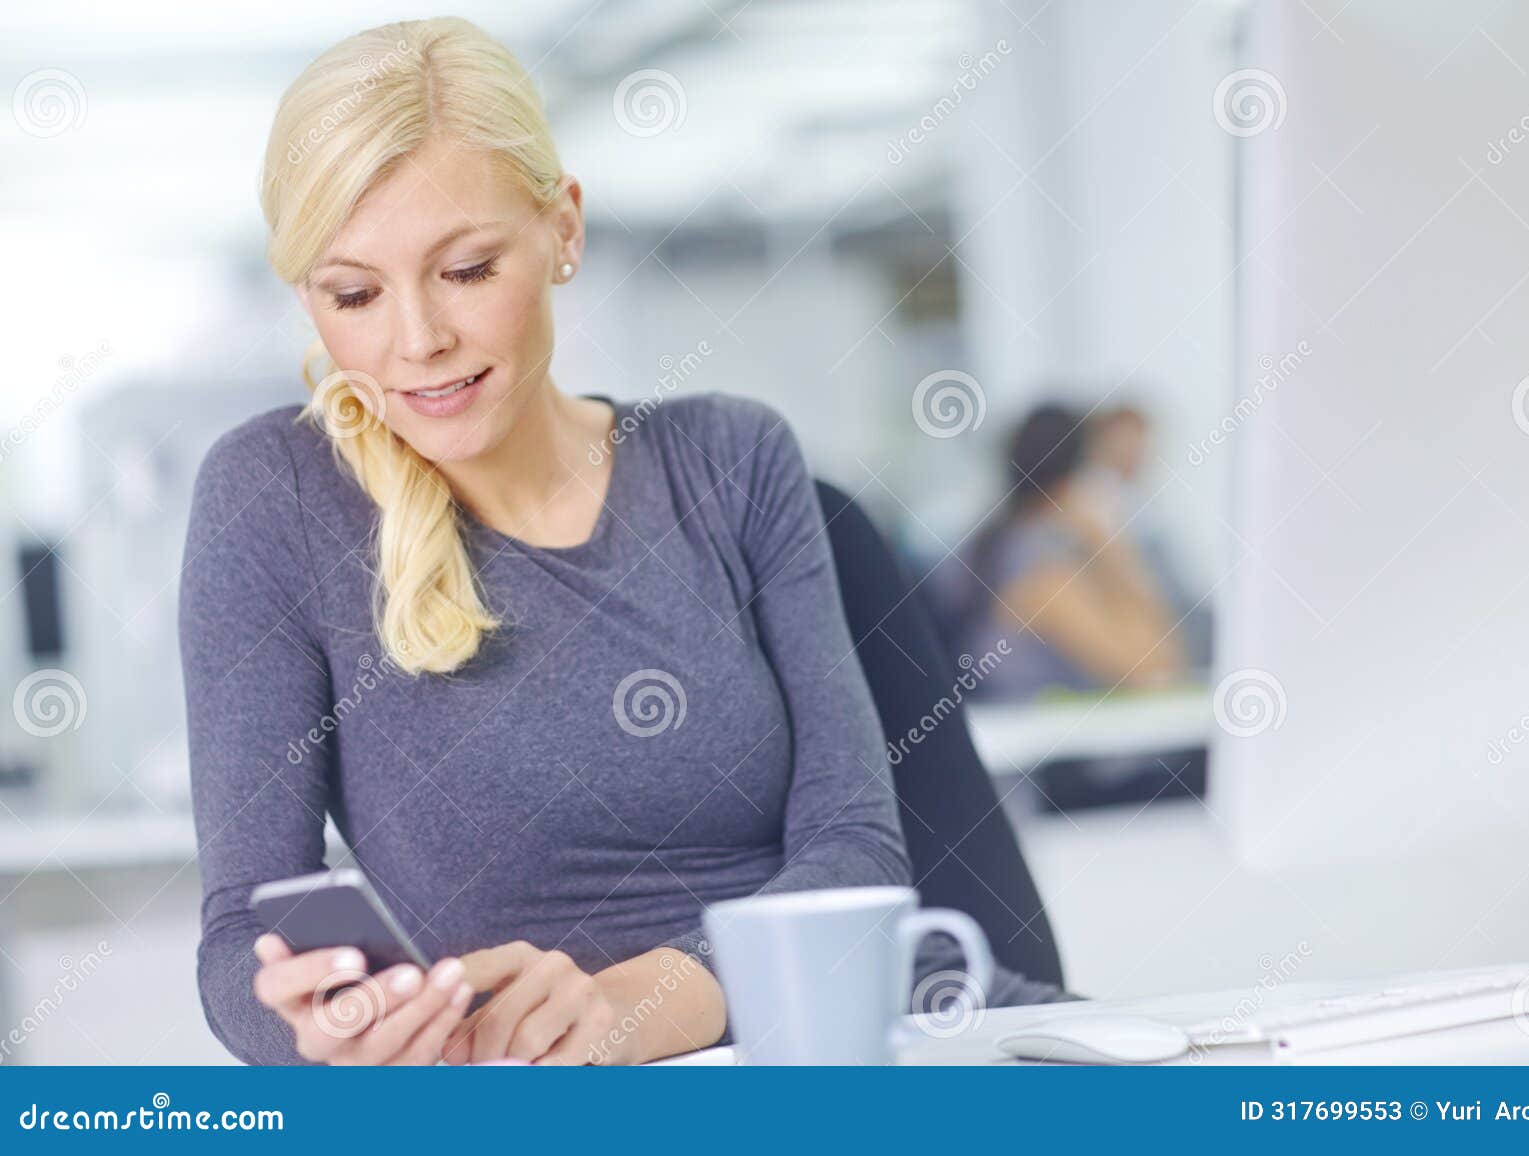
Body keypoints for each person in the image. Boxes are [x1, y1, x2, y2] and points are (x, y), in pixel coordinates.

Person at [179, 16, 1062, 1068]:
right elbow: (242, 936)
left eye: (465, 270)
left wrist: (645, 1004)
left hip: (876, 1040)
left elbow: (858, 855)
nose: (417, 341)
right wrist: (313, 1026)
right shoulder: (274, 498)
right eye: (355, 294)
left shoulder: (731, 460)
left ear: (563, 230)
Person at [955, 403, 1191, 699]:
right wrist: (1111, 545)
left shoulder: (1014, 543)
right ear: (1075, 480)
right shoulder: (1039, 568)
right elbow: (1159, 669)